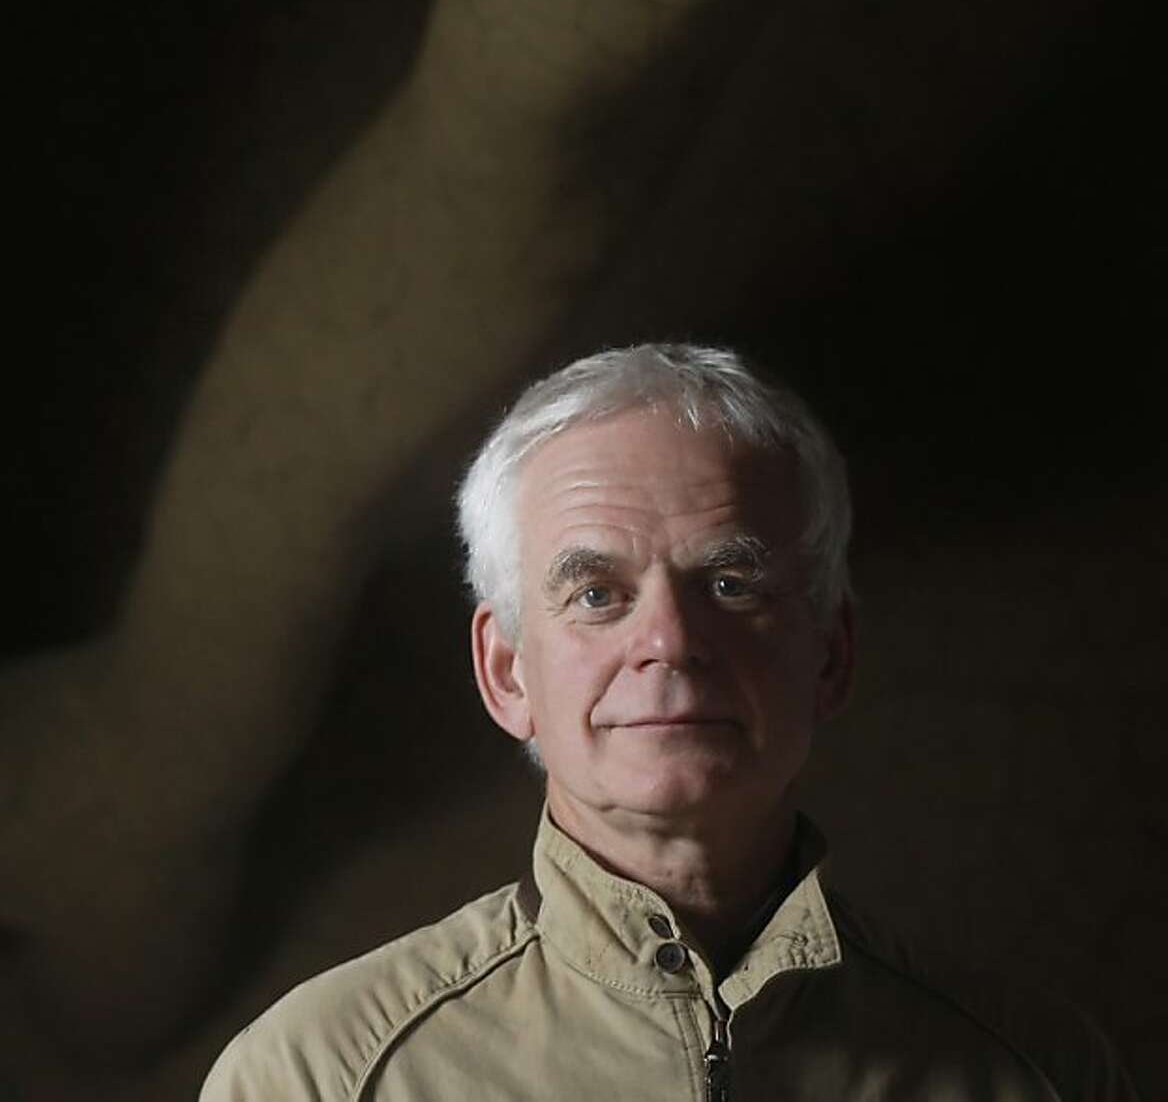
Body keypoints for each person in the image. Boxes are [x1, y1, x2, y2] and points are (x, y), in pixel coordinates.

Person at [200, 342, 1138, 1101]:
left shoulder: (1041, 1073)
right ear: (505, 669)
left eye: (730, 585)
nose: (671, 642)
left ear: (831, 654)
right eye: (598, 593)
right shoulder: (316, 1078)